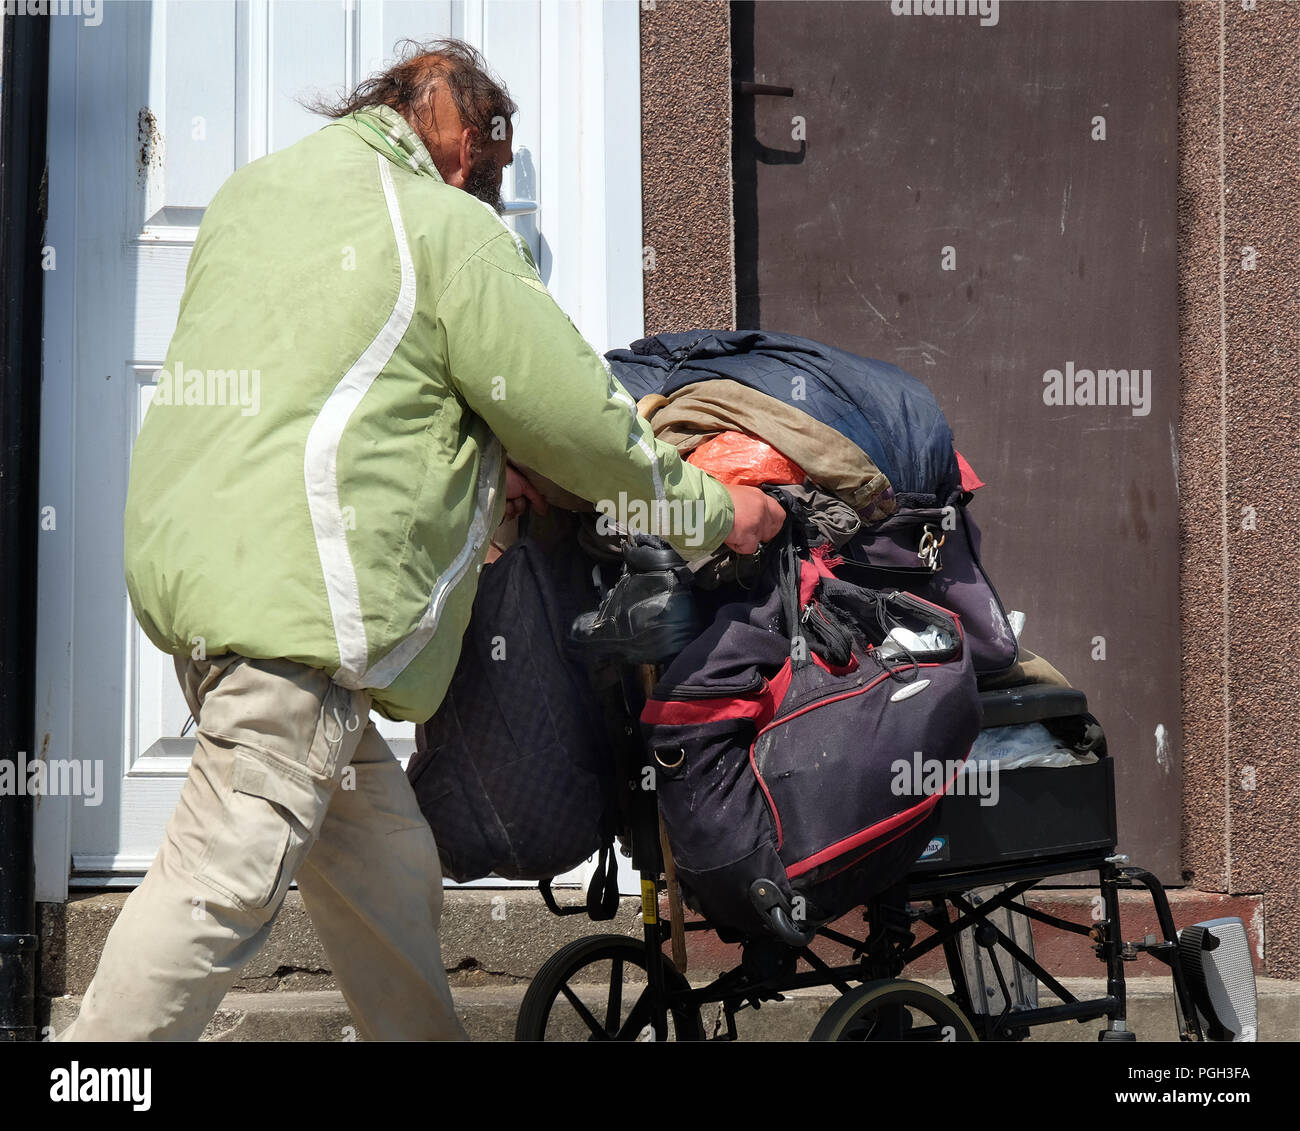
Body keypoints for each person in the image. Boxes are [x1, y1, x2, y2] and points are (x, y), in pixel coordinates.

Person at [61, 39, 785, 1042]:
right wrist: (711, 512)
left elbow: (343, 383)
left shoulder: (258, 195)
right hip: (295, 610)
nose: (483, 191)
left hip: (200, 577)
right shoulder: (442, 227)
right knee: (219, 882)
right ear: (459, 153)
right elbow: (571, 416)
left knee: (384, 866)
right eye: (486, 174)